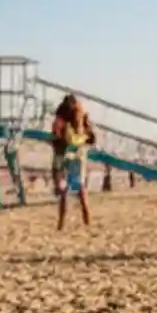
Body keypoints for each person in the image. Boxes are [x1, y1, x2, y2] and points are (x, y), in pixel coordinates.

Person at [57, 97, 96, 231]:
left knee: (72, 192)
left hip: (74, 159)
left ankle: (64, 224)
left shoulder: (76, 118)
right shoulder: (75, 119)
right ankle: (83, 221)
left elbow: (81, 138)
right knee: (75, 191)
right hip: (74, 158)